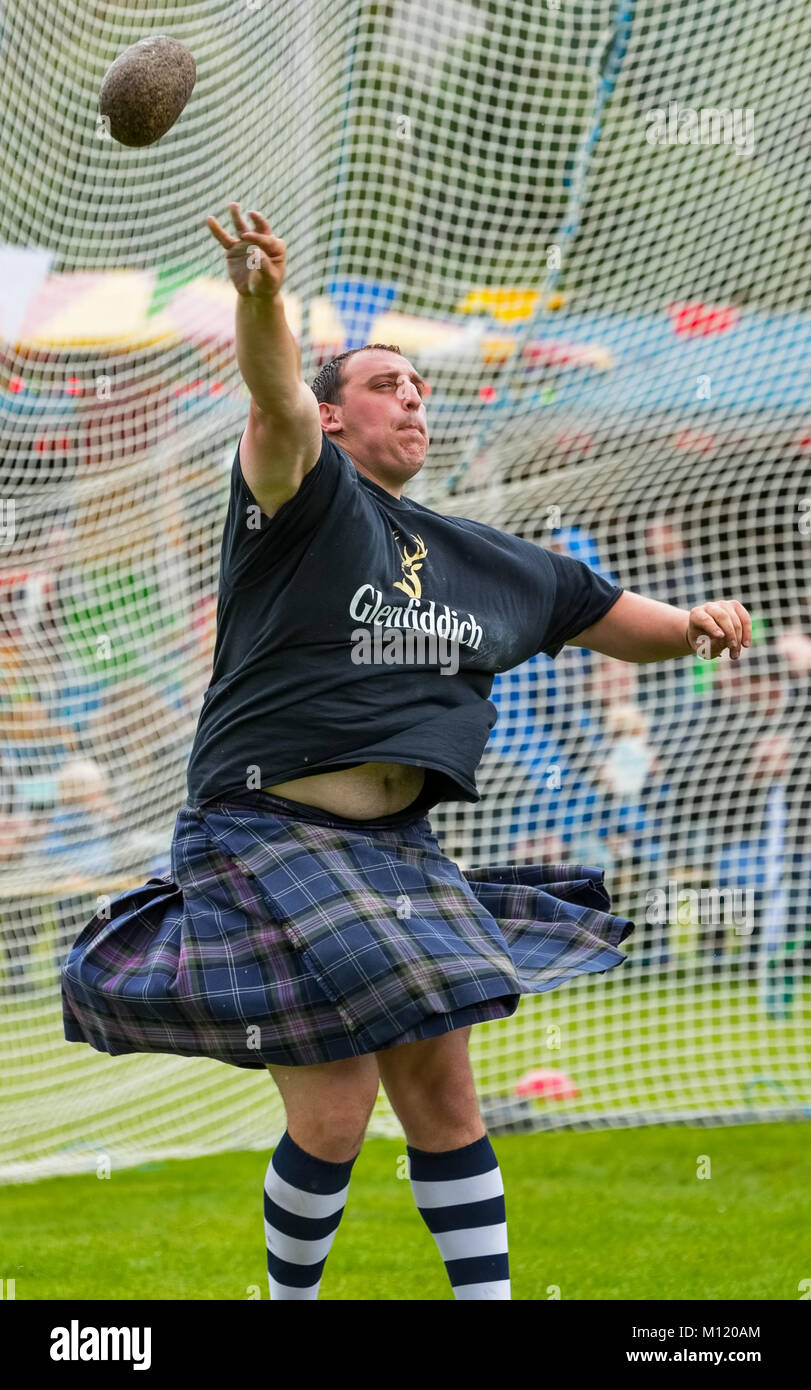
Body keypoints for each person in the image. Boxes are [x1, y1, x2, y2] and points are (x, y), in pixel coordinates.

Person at [61, 203, 752, 1302]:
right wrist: (258, 299)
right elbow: (276, 394)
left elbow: (622, 617)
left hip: (397, 847)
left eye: (417, 384)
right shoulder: (301, 496)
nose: (412, 393)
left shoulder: (491, 560)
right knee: (332, 1120)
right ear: (334, 419)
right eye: (386, 383)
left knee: (445, 1098)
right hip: (265, 832)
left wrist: (699, 620)